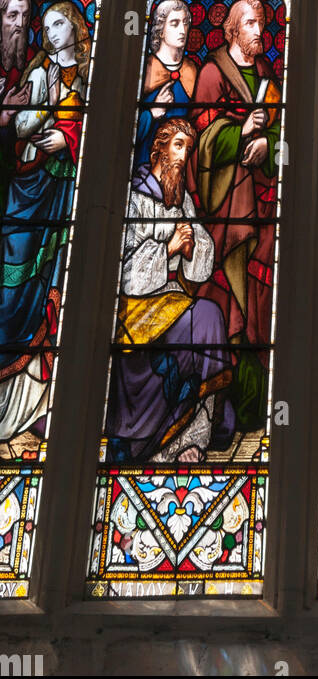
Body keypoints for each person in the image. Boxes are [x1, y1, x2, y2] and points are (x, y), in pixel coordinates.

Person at [106, 119, 236, 463]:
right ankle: (154, 441)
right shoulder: (133, 196)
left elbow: (201, 248)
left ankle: (193, 437)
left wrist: (194, 247)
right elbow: (126, 271)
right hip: (133, 312)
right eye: (178, 145)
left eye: (188, 149)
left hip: (170, 300)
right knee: (204, 316)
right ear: (160, 147)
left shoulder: (181, 198)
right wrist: (169, 250)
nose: (183, 156)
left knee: (208, 317)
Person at [0, 0, 90, 448]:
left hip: (67, 190)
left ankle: (40, 402)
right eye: (47, 26)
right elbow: (21, 128)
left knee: (54, 283)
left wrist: (71, 138)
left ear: (75, 28)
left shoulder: (91, 75)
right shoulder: (41, 74)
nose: (52, 32)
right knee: (15, 284)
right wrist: (51, 115)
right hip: (30, 187)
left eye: (60, 24)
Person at [191, 0, 280, 430]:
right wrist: (239, 132)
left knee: (260, 308)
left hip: (263, 208)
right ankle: (224, 411)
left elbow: (283, 134)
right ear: (231, 30)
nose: (259, 29)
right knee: (230, 304)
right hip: (224, 210)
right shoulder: (212, 73)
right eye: (250, 22)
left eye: (261, 22)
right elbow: (199, 137)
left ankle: (251, 412)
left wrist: (267, 145)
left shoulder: (267, 76)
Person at [134, 0, 197, 167]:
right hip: (146, 165)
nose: (182, 30)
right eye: (174, 23)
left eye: (185, 23)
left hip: (182, 165)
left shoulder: (192, 71)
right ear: (161, 30)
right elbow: (120, 131)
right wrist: (152, 113)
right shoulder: (144, 69)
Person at [0, 0, 32, 214]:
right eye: (12, 16)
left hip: (18, 165)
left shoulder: (35, 61)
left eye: (25, 16)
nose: (20, 24)